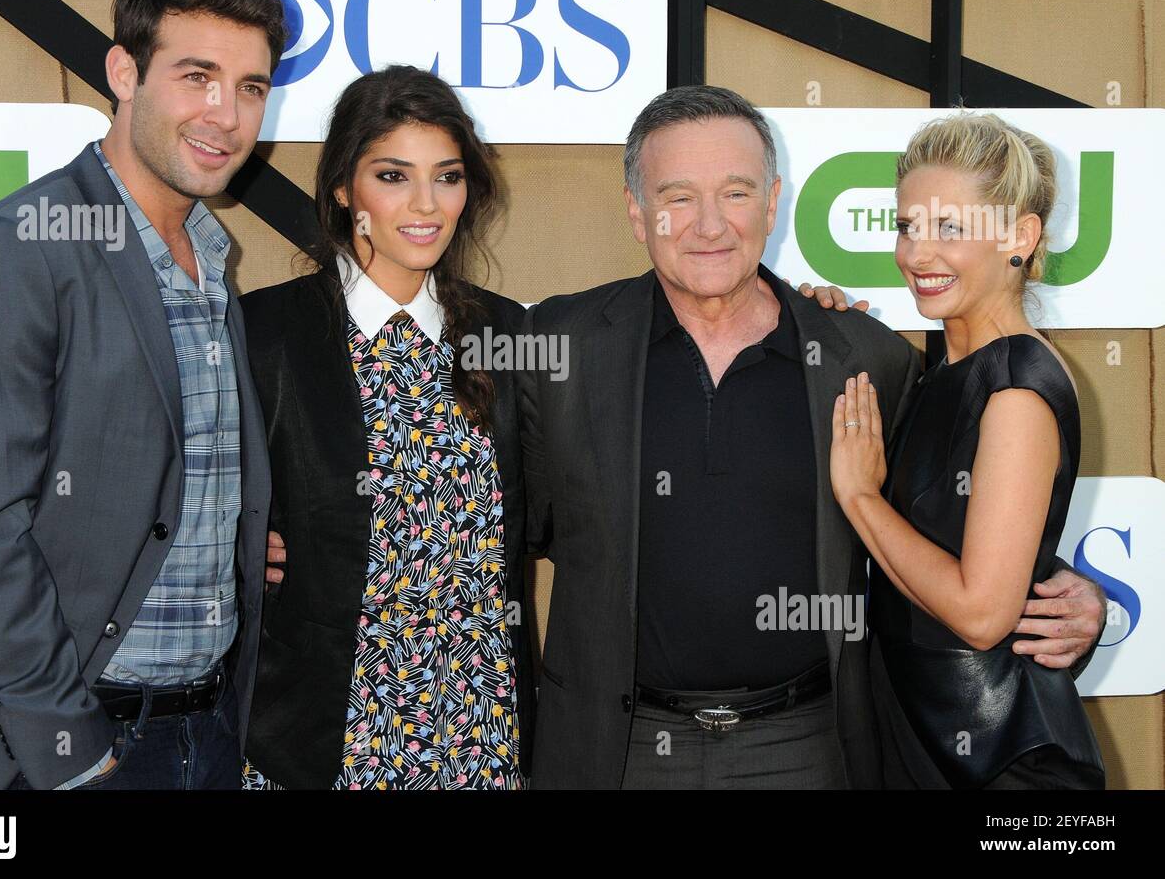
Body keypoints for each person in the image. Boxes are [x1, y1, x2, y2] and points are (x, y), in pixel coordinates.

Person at [517, 86, 1106, 789]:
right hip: (617, 751)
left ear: (771, 203)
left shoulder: (867, 359)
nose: (710, 225)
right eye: (678, 196)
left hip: (813, 749)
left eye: (735, 193)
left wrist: (1068, 593)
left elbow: (960, 534)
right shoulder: (560, 349)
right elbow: (500, 534)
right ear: (637, 212)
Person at [0, 0, 284, 789]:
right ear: (123, 71)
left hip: (204, 733)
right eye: (197, 75)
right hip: (61, 743)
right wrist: (71, 751)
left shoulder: (212, 260)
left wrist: (234, 536)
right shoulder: (18, 250)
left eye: (250, 86)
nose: (226, 114)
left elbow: (154, 468)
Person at [237, 65, 534, 789]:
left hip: (479, 735)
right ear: (344, 188)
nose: (426, 205)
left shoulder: (510, 333)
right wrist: (240, 544)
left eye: (448, 176)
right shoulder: (264, 333)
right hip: (319, 741)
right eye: (394, 176)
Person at [829, 113, 1105, 788]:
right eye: (908, 226)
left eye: (951, 228)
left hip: (1003, 765)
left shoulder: (1014, 386)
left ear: (1019, 236)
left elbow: (982, 614)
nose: (918, 254)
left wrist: (862, 497)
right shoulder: (943, 372)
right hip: (926, 745)